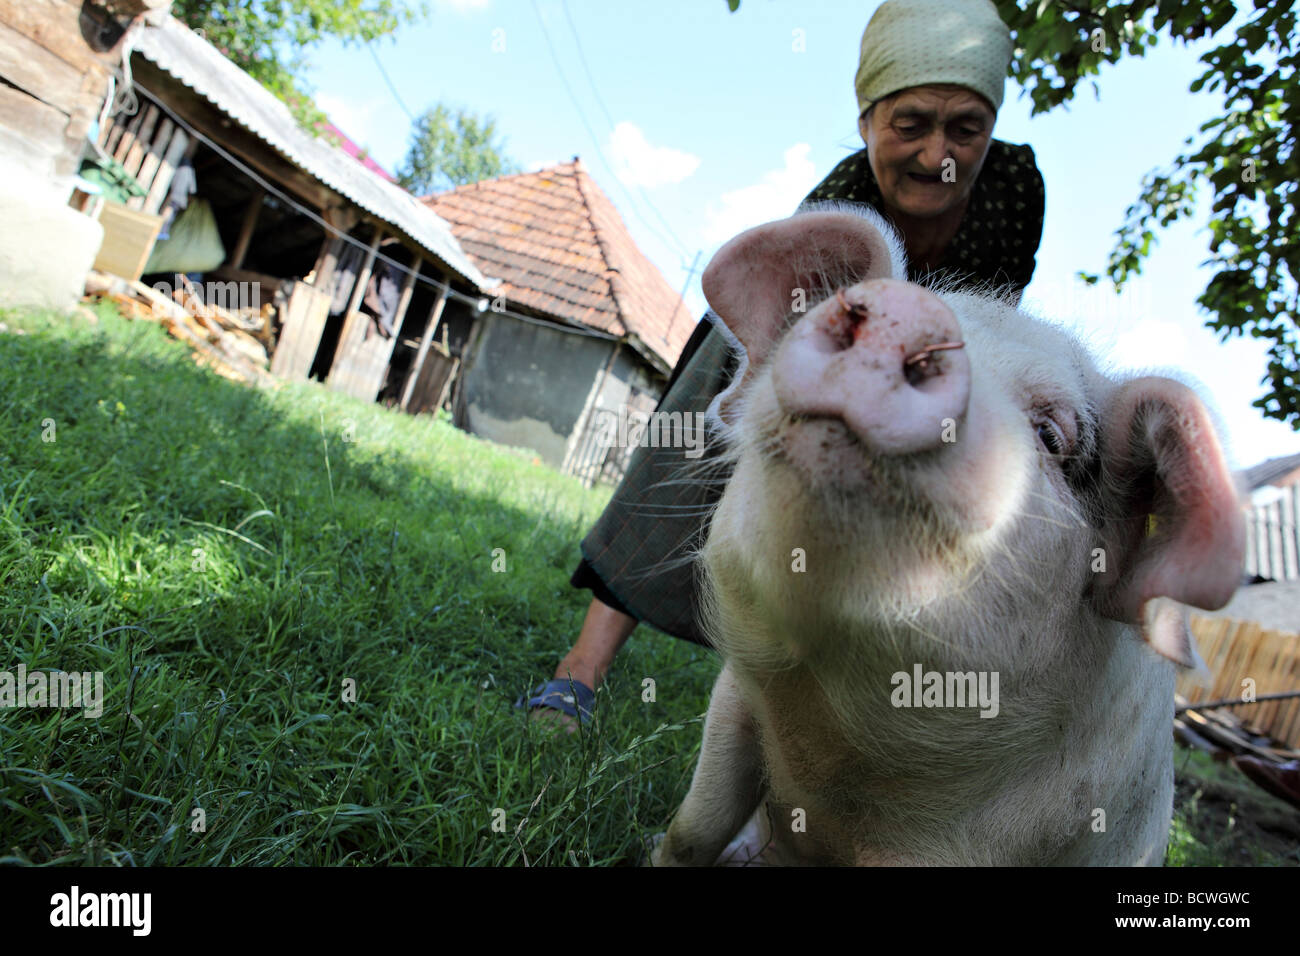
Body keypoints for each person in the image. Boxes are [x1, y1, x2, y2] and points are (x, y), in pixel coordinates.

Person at [518, 0, 1045, 729]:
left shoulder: (1016, 189)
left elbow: (995, 320)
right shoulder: (838, 203)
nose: (937, 156)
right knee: (696, 433)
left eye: (966, 127)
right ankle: (578, 672)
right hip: (792, 338)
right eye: (910, 124)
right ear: (866, 123)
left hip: (929, 373)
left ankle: (799, 731)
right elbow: (784, 329)